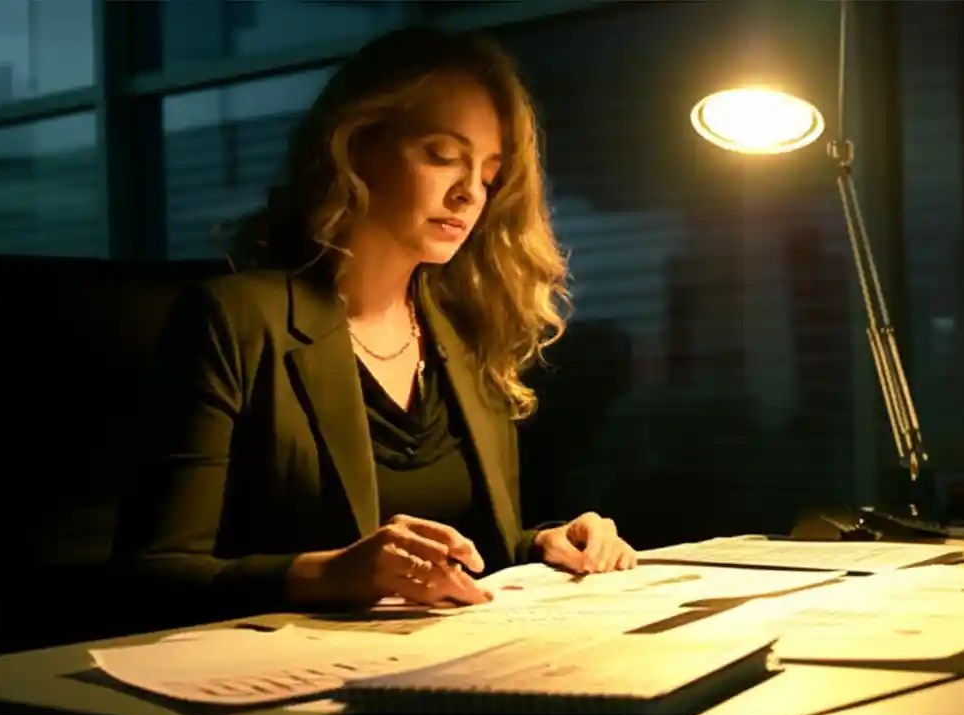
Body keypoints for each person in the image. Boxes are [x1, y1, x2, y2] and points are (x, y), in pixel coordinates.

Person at [113, 25, 636, 626]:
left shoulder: (463, 335)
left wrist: (543, 545)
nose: (469, 194)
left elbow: (467, 555)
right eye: (442, 156)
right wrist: (327, 574)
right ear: (356, 147)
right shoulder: (234, 321)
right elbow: (152, 575)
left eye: (488, 175)